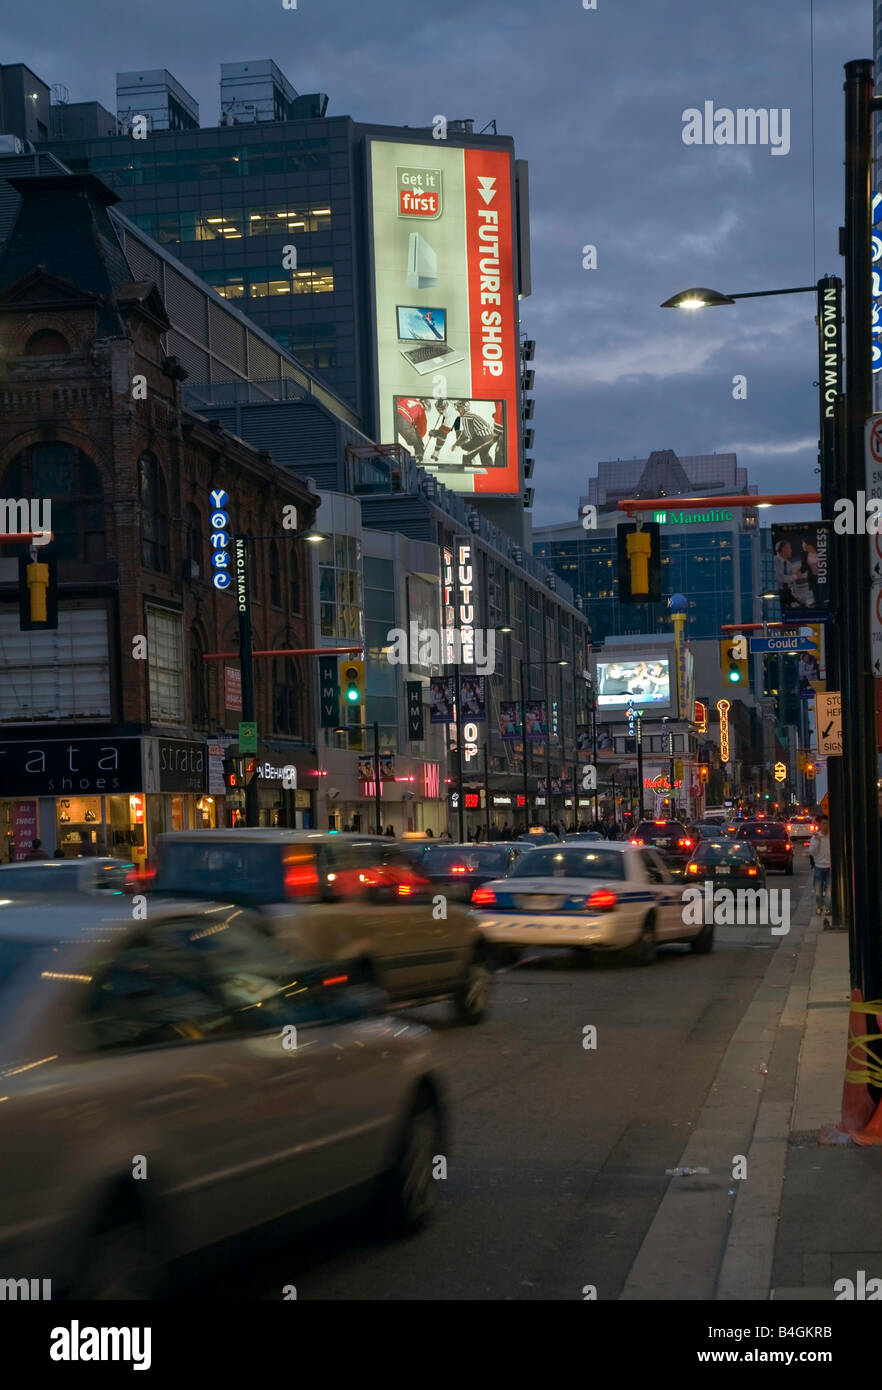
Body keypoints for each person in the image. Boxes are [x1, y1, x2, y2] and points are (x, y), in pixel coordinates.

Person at [808, 816, 831, 915]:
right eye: (823, 824)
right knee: (818, 890)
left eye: (827, 824)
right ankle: (819, 906)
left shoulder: (831, 836)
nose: (825, 826)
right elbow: (812, 852)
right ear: (820, 825)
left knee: (829, 890)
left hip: (830, 867)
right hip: (819, 867)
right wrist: (817, 841)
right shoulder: (815, 837)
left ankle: (827, 907)